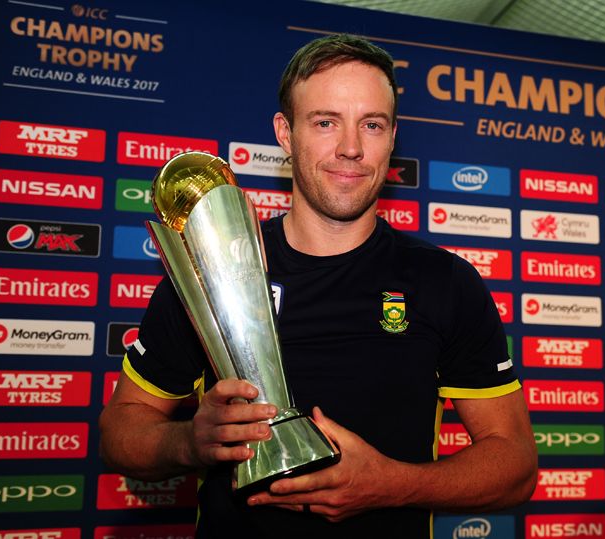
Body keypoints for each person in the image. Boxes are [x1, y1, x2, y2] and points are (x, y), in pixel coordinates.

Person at [99, 33, 537, 538]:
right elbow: (121, 432)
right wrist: (188, 443)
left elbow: (516, 463)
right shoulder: (211, 271)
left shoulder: (445, 282)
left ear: (393, 137)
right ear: (285, 133)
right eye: (325, 122)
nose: (350, 148)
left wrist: (393, 484)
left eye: (371, 125)